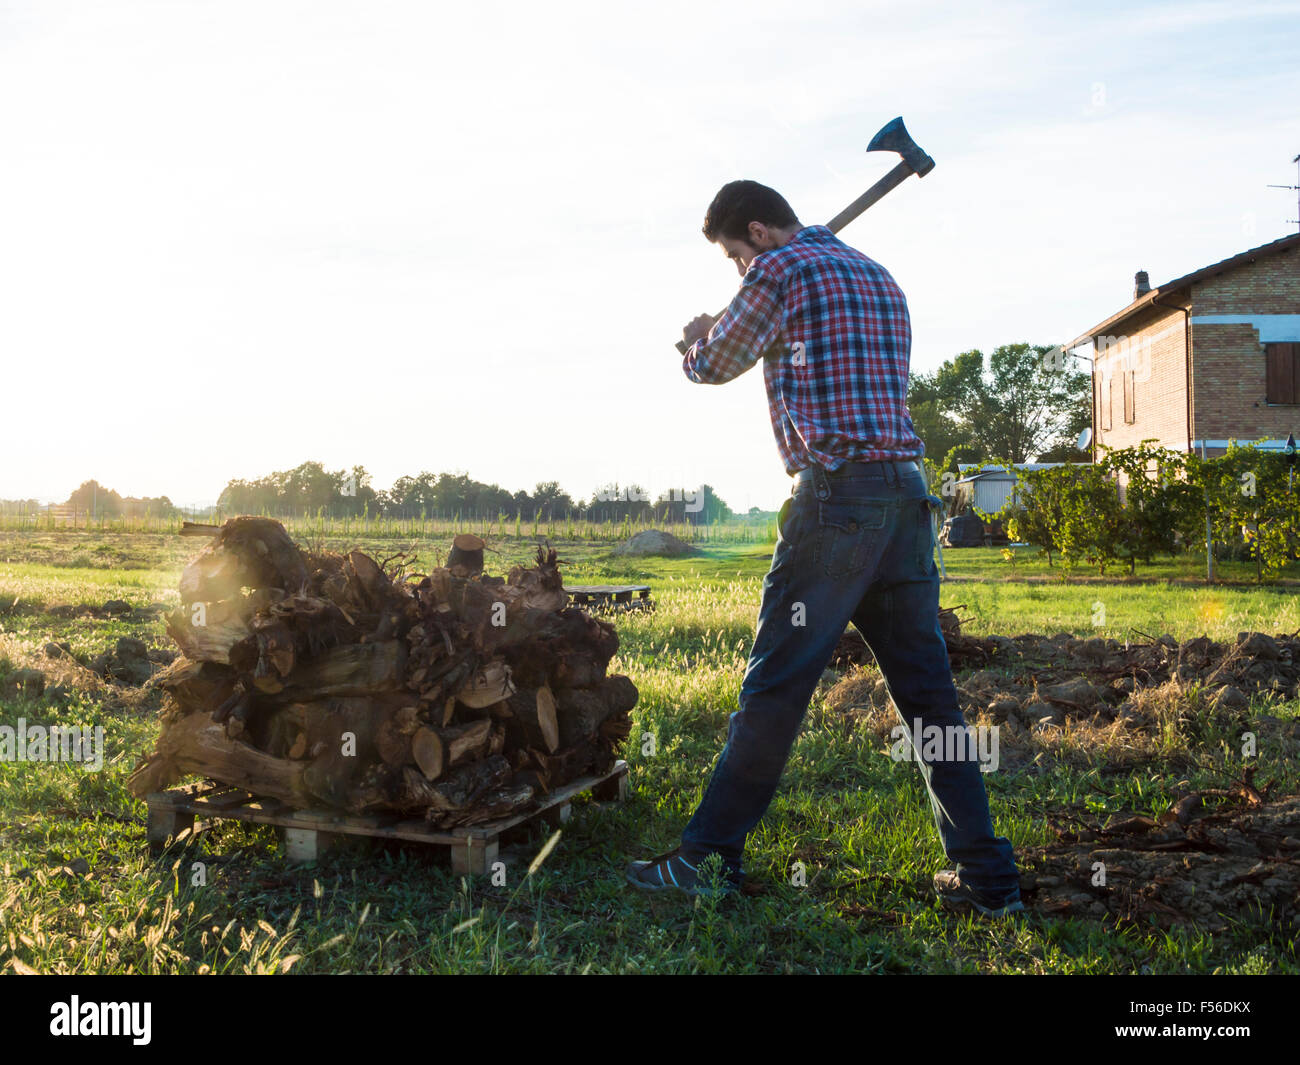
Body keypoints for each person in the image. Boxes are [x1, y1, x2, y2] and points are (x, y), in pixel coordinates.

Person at [625, 180, 1022, 917]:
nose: (740, 270)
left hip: (838, 500)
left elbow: (711, 365)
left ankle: (706, 861)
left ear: (756, 232)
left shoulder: (777, 272)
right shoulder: (877, 275)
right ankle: (990, 883)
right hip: (907, 496)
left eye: (735, 257)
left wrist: (696, 337)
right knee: (931, 701)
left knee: (775, 685)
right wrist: (742, 318)